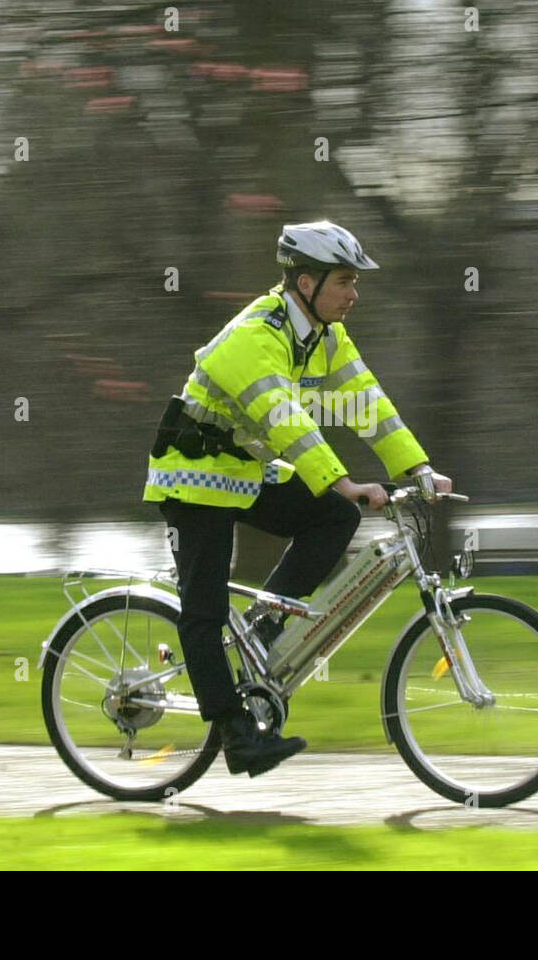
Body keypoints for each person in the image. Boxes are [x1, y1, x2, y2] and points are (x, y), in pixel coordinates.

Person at [143, 219, 452, 778]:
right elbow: (284, 421)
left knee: (333, 518)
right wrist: (343, 480)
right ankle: (237, 736)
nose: (354, 295)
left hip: (244, 469)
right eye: (344, 282)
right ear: (304, 282)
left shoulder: (322, 337)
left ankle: (263, 629)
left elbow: (365, 401)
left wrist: (417, 466)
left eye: (354, 282)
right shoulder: (254, 336)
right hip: (192, 474)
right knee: (204, 608)